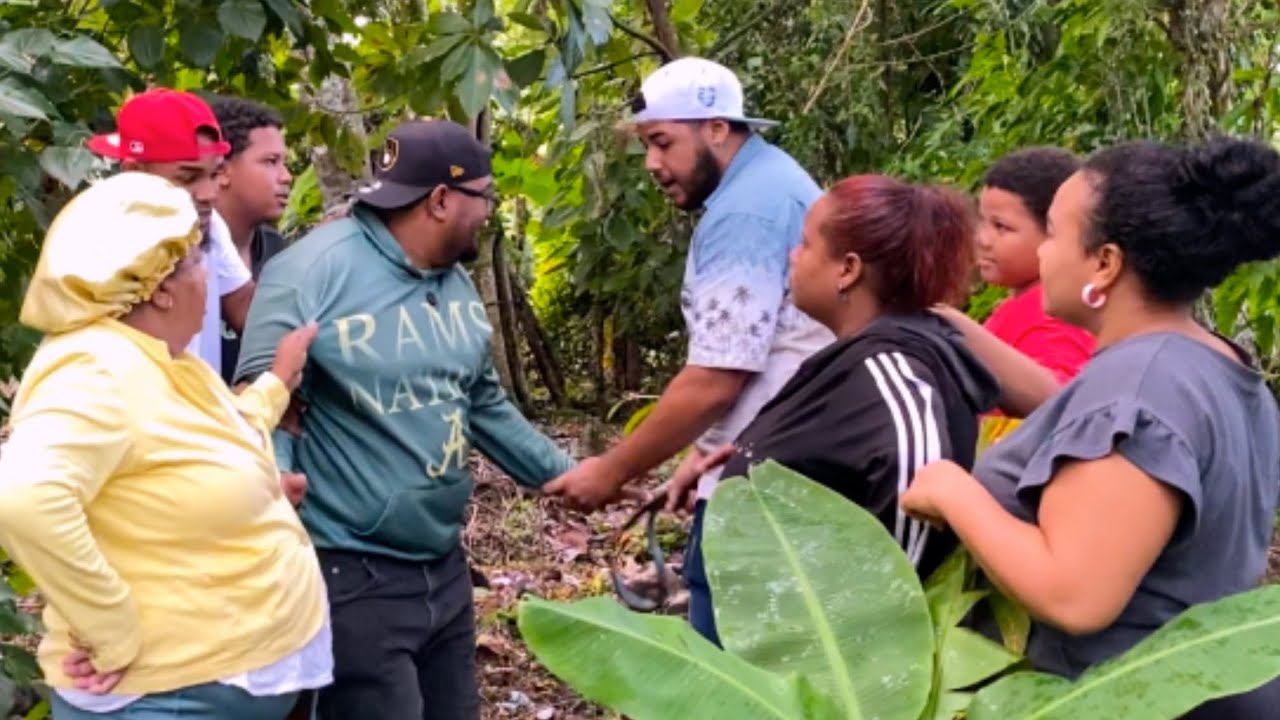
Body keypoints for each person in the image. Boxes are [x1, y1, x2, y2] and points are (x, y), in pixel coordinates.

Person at [902, 136, 1280, 718]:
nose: (1045, 254)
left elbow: (1075, 594)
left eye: (1052, 233)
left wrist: (953, 491)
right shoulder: (1205, 362)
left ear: (1104, 262)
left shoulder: (1138, 389)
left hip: (1119, 700)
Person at [234, 119, 575, 720]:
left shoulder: (455, 282)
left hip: (442, 568)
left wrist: (570, 475)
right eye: (485, 196)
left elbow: (483, 402)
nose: (489, 211)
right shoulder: (312, 272)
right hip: (351, 571)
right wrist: (275, 511)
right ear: (442, 200)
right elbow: (261, 401)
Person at [0, 172, 329, 719]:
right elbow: (25, 497)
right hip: (171, 694)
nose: (212, 276)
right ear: (159, 287)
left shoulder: (156, 357)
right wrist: (110, 627)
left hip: (214, 678)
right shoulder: (95, 368)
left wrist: (276, 385)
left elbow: (202, 439)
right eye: (200, 261)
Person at [543, 57, 834, 642]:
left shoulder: (747, 210)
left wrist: (614, 468)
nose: (652, 164)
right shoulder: (770, 183)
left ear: (718, 130)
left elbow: (718, 377)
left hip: (767, 491)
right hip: (775, 467)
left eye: (662, 143)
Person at [691, 175, 999, 641]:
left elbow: (913, 501)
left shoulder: (893, 371)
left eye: (806, 244)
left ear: (847, 269)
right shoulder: (855, 357)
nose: (793, 256)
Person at [87, 87, 254, 374]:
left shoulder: (207, 222)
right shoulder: (96, 243)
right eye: (188, 177)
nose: (209, 193)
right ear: (133, 171)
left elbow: (245, 306)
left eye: (214, 175)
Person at [972, 147, 1095, 449]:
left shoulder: (1055, 313)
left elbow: (1061, 400)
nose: (982, 239)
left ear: (1054, 232)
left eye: (1001, 227)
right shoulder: (1020, 305)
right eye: (982, 221)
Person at [211, 96, 293, 385]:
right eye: (271, 162)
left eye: (285, 163)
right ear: (222, 170)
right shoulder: (184, 251)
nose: (286, 177)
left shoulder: (278, 252)